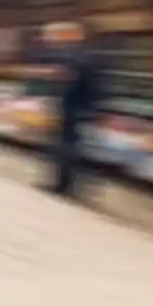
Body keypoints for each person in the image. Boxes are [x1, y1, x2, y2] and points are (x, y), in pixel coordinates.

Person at [37, 21, 102, 198]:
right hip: (78, 107)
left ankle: (63, 186)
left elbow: (67, 77)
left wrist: (50, 76)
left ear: (67, 35)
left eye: (52, 36)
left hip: (72, 107)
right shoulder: (82, 53)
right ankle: (66, 185)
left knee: (67, 146)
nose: (49, 40)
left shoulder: (74, 54)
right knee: (71, 146)